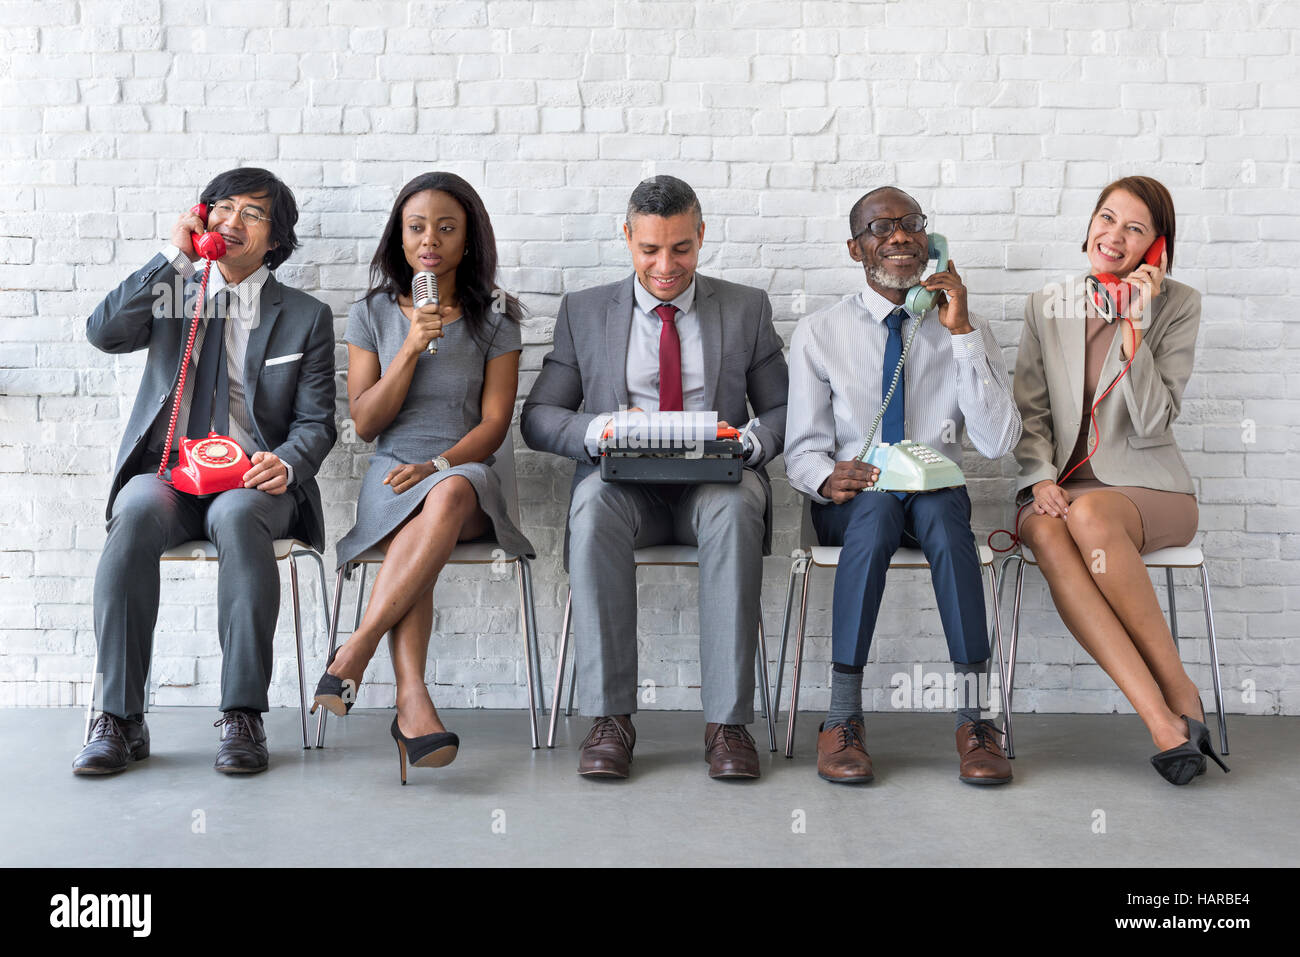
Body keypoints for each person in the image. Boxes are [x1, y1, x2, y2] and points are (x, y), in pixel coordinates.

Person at [521, 175, 788, 781]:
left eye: (681, 249)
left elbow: (783, 409)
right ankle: (610, 719)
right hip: (623, 485)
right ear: (627, 239)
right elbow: (538, 417)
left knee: (736, 506)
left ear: (701, 236)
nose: (666, 266)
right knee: (591, 507)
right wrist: (601, 429)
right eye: (650, 250)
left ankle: (727, 724)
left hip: (714, 481)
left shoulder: (746, 308)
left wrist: (749, 441)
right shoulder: (585, 312)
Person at [78, 167, 337, 775]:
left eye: (252, 213)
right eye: (221, 208)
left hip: (252, 479)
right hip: (171, 476)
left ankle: (242, 713)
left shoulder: (305, 315)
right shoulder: (175, 290)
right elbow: (102, 332)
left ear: (276, 239)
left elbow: (317, 423)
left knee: (241, 514)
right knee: (136, 509)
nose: (231, 222)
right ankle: (118, 717)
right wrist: (174, 253)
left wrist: (289, 462)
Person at [784, 186, 1022, 786]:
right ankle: (842, 719)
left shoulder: (963, 325)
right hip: (855, 501)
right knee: (877, 511)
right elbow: (801, 451)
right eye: (879, 227)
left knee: (944, 517)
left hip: (937, 494)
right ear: (854, 247)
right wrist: (824, 476)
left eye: (912, 223)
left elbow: (997, 441)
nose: (898, 236)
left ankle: (975, 719)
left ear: (930, 240)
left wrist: (961, 331)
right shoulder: (819, 332)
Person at [310, 172, 532, 783]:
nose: (429, 239)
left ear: (468, 241)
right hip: (392, 481)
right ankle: (413, 706)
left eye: (446, 227)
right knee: (417, 544)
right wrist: (409, 346)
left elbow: (494, 425)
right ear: (400, 239)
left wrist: (439, 465)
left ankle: (354, 650)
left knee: (452, 490)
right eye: (416, 227)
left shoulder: (497, 319)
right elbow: (366, 422)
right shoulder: (372, 314)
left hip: (464, 476)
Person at [1013, 175, 1228, 785]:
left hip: (1149, 491)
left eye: (1135, 228)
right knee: (1051, 530)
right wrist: (1038, 477)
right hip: (1062, 487)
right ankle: (1162, 722)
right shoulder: (1046, 305)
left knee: (1086, 517)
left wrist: (1135, 322)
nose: (1114, 235)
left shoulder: (1178, 304)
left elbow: (1155, 418)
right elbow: (1029, 410)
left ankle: (1181, 691)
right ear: (1089, 224)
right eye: (1107, 218)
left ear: (1156, 247)